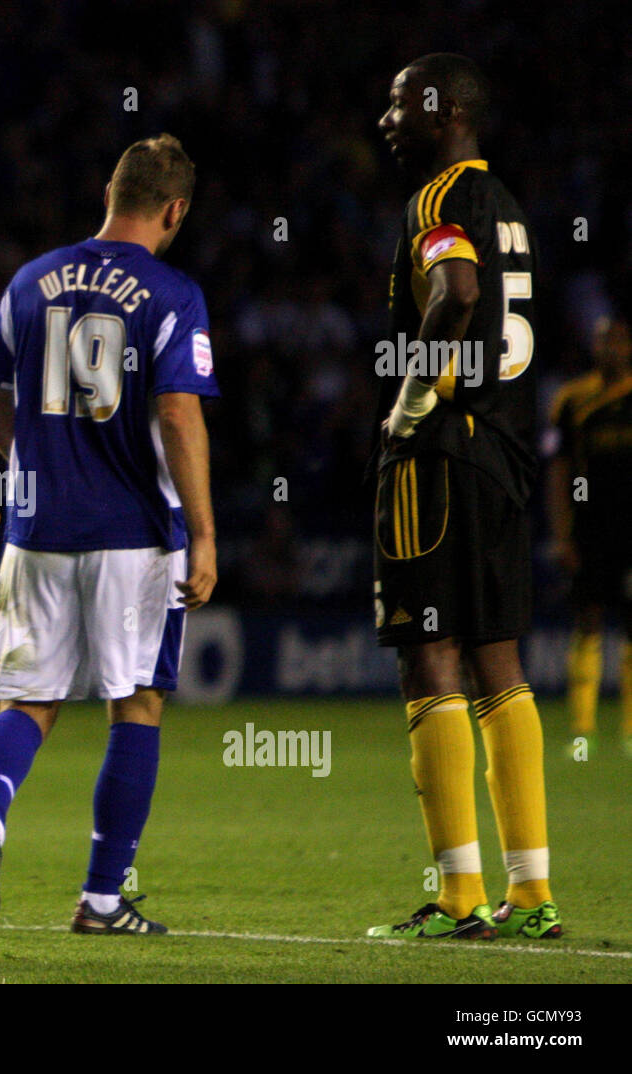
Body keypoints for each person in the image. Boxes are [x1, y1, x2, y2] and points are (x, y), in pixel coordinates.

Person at [0, 134, 218, 937]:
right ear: (175, 211)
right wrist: (203, 532)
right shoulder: (172, 293)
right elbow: (177, 412)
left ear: (110, 190)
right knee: (136, 703)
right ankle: (102, 898)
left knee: (27, 702)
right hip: (134, 534)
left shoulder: (31, 280)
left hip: (38, 532)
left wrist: (32, 465)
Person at [368, 53, 560, 940]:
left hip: (442, 451)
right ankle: (531, 892)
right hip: (506, 455)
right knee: (497, 658)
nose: (386, 119)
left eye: (401, 104)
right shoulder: (511, 207)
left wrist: (410, 402)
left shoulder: (442, 198)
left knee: (428, 655)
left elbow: (456, 293)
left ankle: (458, 897)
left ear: (445, 111)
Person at [547, 313, 632, 757]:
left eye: (616, 340)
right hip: (591, 532)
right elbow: (559, 472)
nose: (609, 349)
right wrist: (563, 535)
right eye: (602, 341)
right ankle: (583, 730)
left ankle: (631, 733)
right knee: (589, 623)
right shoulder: (571, 401)